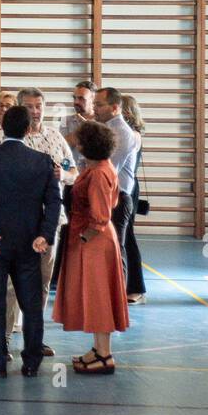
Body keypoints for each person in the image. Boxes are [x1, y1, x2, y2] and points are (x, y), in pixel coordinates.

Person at [0, 105, 60, 377]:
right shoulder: (43, 161)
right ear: (29, 130)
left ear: (1, 128)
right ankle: (31, 362)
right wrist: (46, 234)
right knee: (31, 306)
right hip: (30, 244)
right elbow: (54, 201)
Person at [0, 88, 78, 352]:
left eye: (39, 106)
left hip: (49, 222)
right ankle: (3, 338)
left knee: (43, 281)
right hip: (12, 223)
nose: (35, 112)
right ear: (20, 109)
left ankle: (33, 339)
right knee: (11, 284)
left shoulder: (55, 138)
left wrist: (64, 176)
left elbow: (74, 171)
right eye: (30, 106)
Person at [54, 121, 130, 374]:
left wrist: (84, 238)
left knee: (98, 297)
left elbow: (100, 216)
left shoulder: (97, 173)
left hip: (93, 242)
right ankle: (98, 349)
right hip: (96, 240)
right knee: (98, 296)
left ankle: (105, 354)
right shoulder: (102, 166)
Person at [93, 87, 140, 286]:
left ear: (114, 107)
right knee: (105, 249)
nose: (94, 108)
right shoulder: (105, 128)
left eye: (99, 105)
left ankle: (118, 295)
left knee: (116, 248)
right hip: (106, 196)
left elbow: (107, 167)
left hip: (118, 197)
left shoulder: (122, 132)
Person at [55, 80, 98, 290]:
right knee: (67, 228)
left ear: (93, 100)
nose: (76, 102)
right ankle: (61, 275)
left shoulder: (102, 122)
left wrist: (92, 127)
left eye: (81, 98)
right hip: (73, 181)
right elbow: (63, 148)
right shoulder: (67, 121)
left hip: (94, 183)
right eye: (74, 98)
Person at [120, 94, 148, 304]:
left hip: (128, 189)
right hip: (125, 187)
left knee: (128, 237)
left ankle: (137, 287)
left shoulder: (132, 135)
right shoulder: (125, 133)